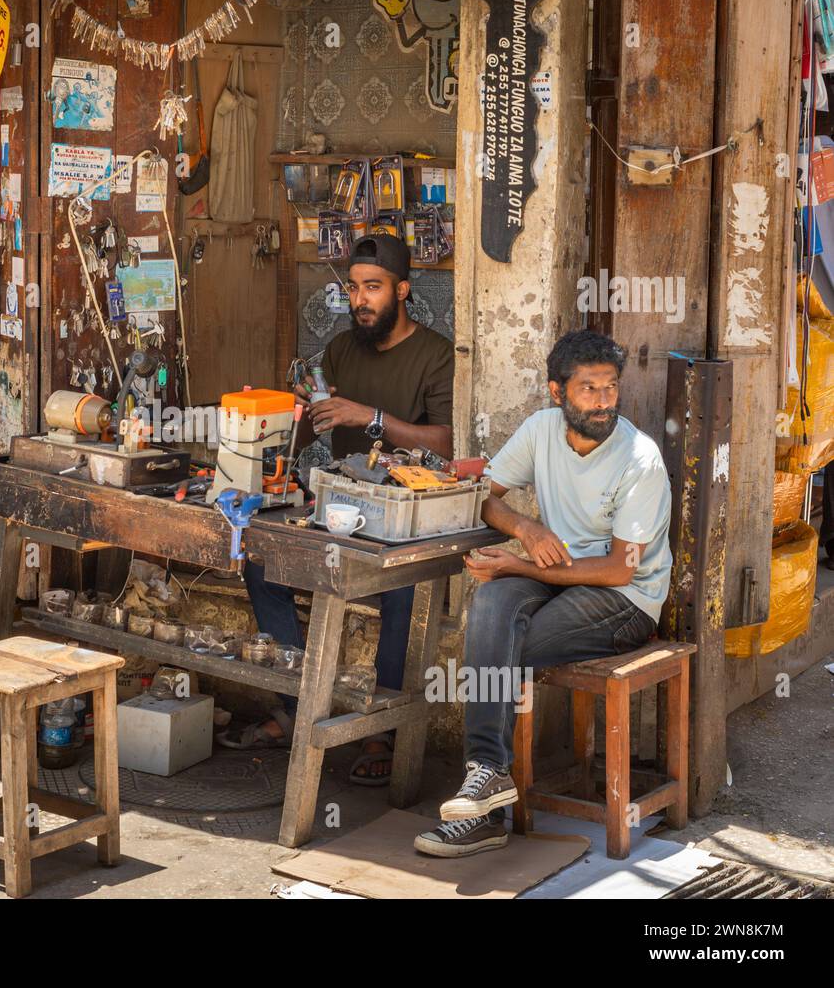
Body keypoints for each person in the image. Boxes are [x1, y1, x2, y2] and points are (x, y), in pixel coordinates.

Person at [414, 330, 672, 858]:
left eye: (610, 388)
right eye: (588, 389)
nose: (603, 402)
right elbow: (485, 496)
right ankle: (487, 776)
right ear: (558, 392)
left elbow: (621, 570)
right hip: (555, 574)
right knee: (489, 604)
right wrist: (528, 531)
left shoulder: (639, 460)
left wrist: (518, 563)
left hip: (624, 601)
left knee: (500, 648)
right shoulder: (540, 430)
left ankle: (485, 809)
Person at [219, 234, 455, 786]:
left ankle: (380, 728)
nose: (360, 300)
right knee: (261, 562)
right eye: (353, 288)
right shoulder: (342, 349)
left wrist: (369, 417)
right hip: (343, 503)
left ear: (402, 290)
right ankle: (300, 698)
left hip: (405, 510)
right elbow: (315, 424)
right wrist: (284, 414)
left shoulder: (435, 354)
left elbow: (443, 443)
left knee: (400, 587)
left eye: (372, 288)